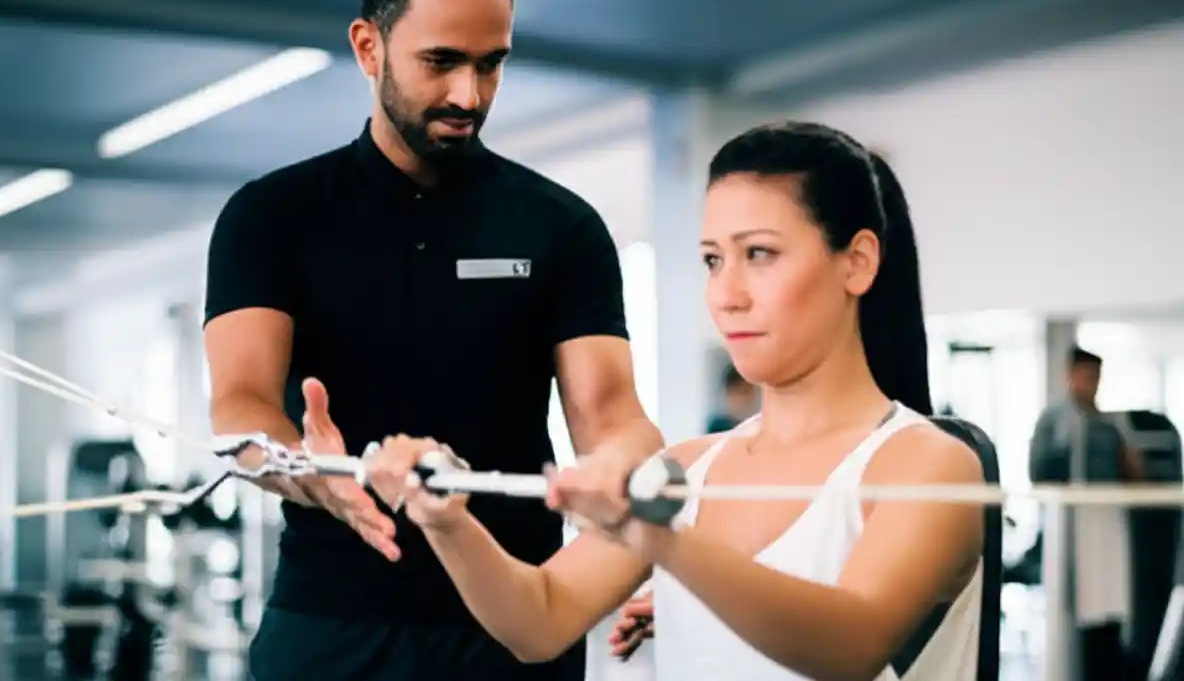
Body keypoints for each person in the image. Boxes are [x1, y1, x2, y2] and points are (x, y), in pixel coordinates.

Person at [365, 121, 987, 680]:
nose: (726, 294)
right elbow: (541, 621)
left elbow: (849, 646)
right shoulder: (688, 468)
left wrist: (661, 545)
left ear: (856, 262)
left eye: (760, 254)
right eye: (714, 261)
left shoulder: (928, 464)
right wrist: (446, 522)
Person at [201, 0, 662, 678]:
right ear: (368, 47)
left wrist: (633, 504)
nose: (467, 95)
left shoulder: (560, 227)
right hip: (332, 627)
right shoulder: (270, 218)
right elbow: (240, 404)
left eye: (491, 64)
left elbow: (611, 417)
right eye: (441, 61)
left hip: (513, 627)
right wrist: (311, 471)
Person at [1029, 346, 1144, 680]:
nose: (1091, 383)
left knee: (1109, 606)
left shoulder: (1109, 424)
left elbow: (1133, 474)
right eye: (1086, 375)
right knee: (1078, 608)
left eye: (1096, 377)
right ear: (1070, 374)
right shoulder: (1055, 421)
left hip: (1107, 521)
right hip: (1073, 525)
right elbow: (1039, 472)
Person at [706, 363, 762, 433]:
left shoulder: (759, 424)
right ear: (729, 392)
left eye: (746, 392)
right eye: (740, 392)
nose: (743, 399)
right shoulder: (718, 426)